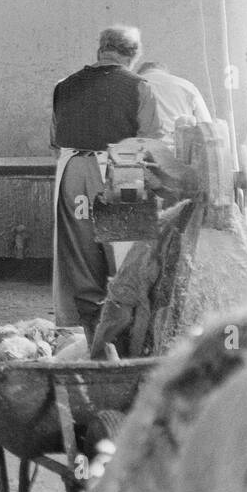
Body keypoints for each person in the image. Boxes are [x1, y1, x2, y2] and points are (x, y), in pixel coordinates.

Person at [50, 26, 161, 341]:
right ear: (132, 56)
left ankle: (89, 340)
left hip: (72, 168)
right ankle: (126, 339)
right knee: (127, 260)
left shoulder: (64, 86)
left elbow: (55, 139)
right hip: (123, 166)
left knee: (80, 262)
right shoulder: (140, 86)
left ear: (101, 50)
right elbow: (150, 142)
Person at [134, 60, 212, 139]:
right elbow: (205, 126)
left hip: (141, 146)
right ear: (165, 72)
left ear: (140, 72)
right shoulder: (187, 86)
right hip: (179, 145)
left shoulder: (133, 85)